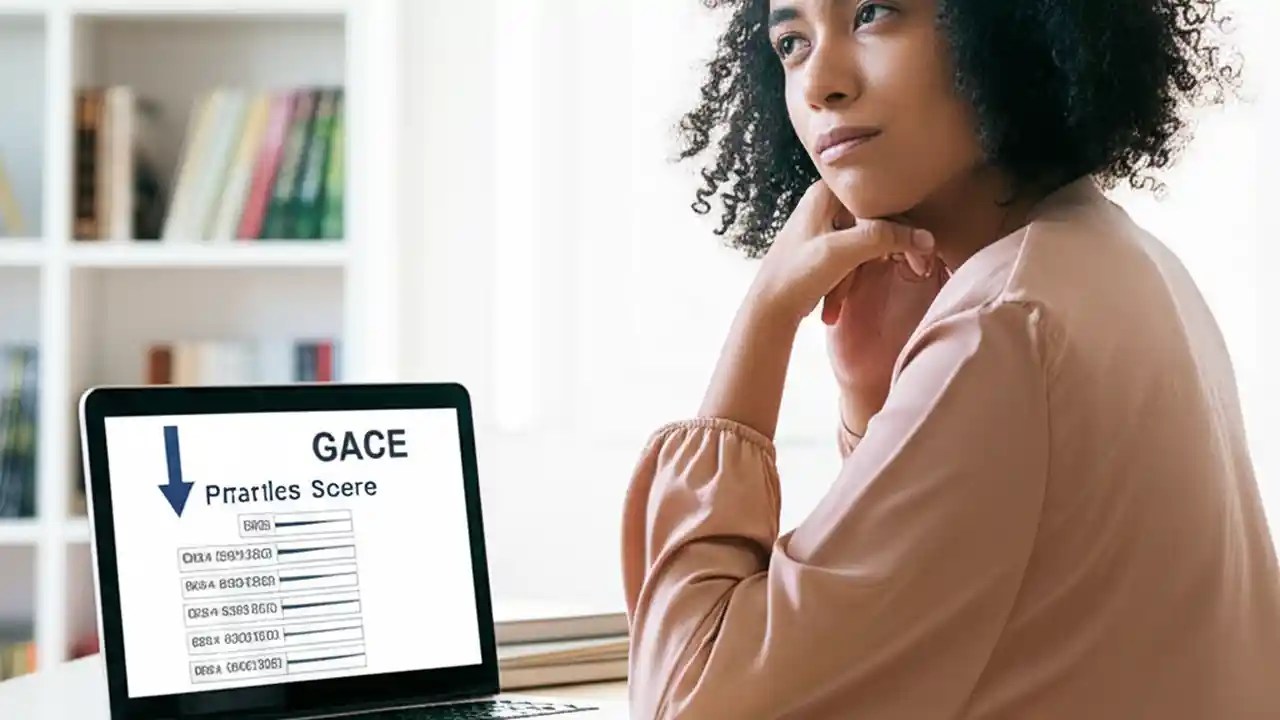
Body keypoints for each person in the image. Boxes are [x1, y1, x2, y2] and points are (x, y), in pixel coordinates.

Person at [620, 0, 1280, 717]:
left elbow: (689, 700)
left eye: (872, 14)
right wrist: (870, 395)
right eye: (791, 41)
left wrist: (765, 317)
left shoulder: (999, 331)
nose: (821, 82)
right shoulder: (1121, 263)